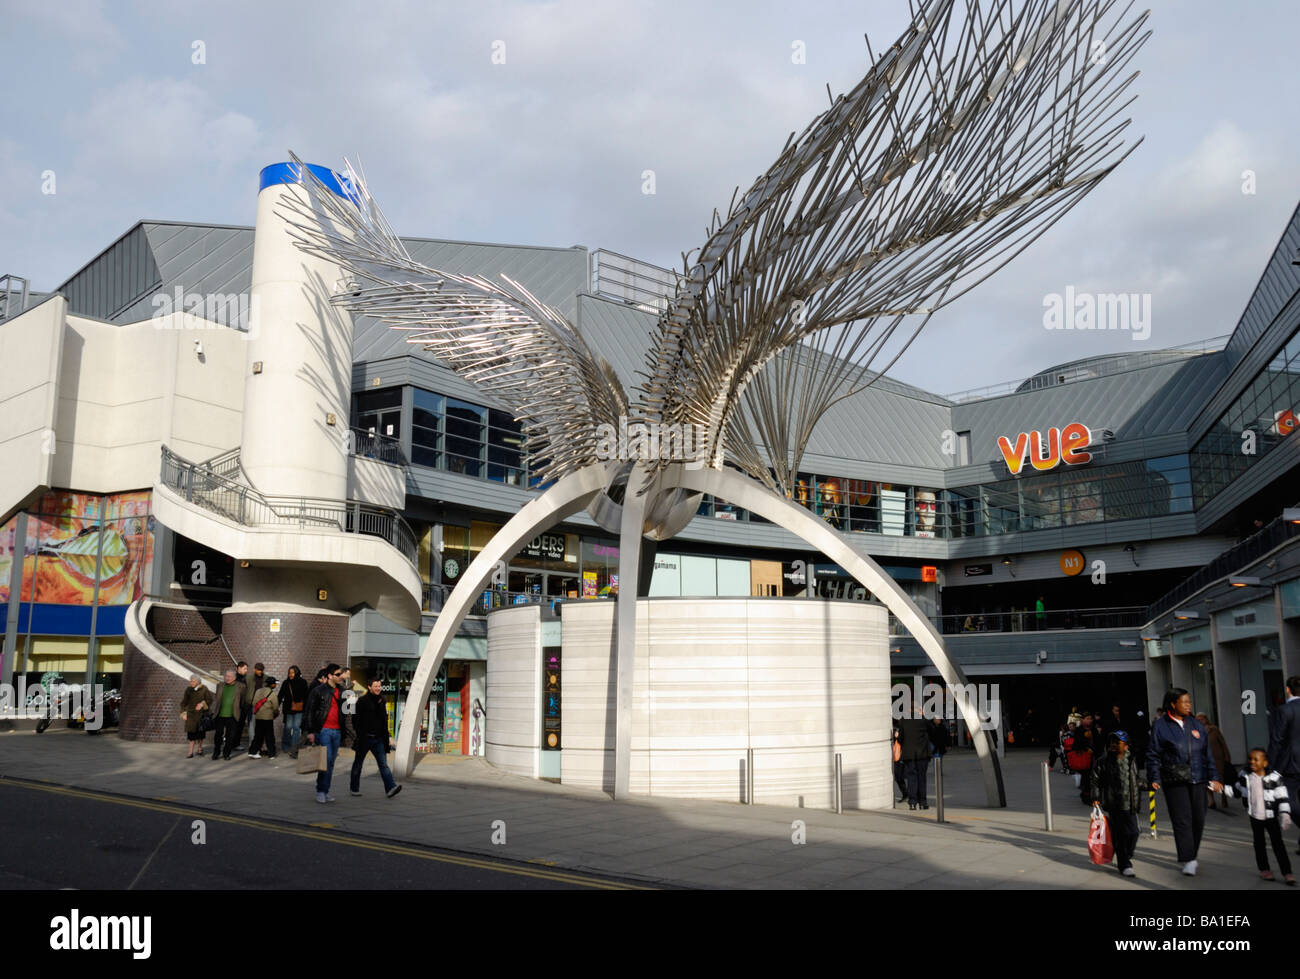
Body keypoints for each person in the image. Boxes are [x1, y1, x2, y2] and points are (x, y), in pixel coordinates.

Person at [1147, 688, 1222, 876]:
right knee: (1182, 821)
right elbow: (1153, 754)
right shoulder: (1161, 726)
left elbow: (1208, 754)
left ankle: (1192, 854)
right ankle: (1188, 858)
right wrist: (1154, 777)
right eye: (1184, 702)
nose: (1189, 705)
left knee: (1198, 819)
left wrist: (1214, 777)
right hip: (1175, 780)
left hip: (1198, 779)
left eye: (1189, 701)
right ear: (1173, 704)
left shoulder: (1196, 725)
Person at [1223, 747, 1295, 884]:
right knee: (1259, 844)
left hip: (1271, 817)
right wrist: (1221, 789)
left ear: (1265, 763)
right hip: (1255, 816)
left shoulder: (1274, 778)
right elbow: (1236, 791)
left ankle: (1287, 872)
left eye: (1256, 759)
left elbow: (1282, 797)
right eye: (1250, 759)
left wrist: (1285, 813)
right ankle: (1264, 870)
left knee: (1278, 844)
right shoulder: (1245, 776)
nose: (1252, 762)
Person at [1091, 730, 1142, 877]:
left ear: (1126, 746)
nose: (1113, 745)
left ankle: (1127, 853)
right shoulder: (1103, 760)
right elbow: (1095, 779)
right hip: (1114, 803)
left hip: (1130, 803)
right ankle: (1124, 864)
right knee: (1120, 835)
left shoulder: (1132, 759)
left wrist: (1149, 784)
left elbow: (1135, 780)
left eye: (1117, 742)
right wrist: (1095, 796)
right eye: (1112, 742)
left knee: (1134, 832)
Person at [349, 678, 402, 798]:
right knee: (358, 763)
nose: (378, 688)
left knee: (383, 764)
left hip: (378, 739)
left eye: (379, 686)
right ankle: (354, 788)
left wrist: (387, 736)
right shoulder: (362, 701)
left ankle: (391, 788)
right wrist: (360, 733)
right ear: (369, 687)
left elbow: (384, 721)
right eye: (376, 686)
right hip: (365, 738)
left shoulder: (382, 700)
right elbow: (355, 720)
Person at [1266, 675, 1300, 857]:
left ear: (1288, 690)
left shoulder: (1284, 710)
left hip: (1291, 763)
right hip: (1292, 762)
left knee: (1289, 801)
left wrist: (1271, 766)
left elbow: (1277, 740)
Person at [304, 664, 346, 803]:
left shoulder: (343, 691)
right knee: (326, 761)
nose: (341, 677)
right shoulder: (318, 691)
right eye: (338, 674)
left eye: (341, 674)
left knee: (331, 763)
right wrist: (310, 731)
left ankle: (325, 790)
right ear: (329, 676)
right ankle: (321, 791)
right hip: (324, 731)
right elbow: (309, 711)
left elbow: (348, 712)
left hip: (337, 731)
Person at [1196, 712, 1235, 812]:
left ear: (1206, 719)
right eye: (1198, 719)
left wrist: (1227, 756)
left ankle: (1223, 798)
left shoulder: (1214, 729)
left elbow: (1223, 743)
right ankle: (1212, 800)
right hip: (1204, 760)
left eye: (1202, 719)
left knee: (1220, 779)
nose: (1200, 721)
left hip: (1218, 758)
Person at [898, 710, 931, 810]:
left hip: (909, 755)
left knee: (911, 779)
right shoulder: (923, 720)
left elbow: (900, 738)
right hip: (922, 754)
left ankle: (912, 802)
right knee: (922, 778)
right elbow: (932, 731)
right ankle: (922, 802)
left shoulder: (904, 721)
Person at [211, 669, 243, 761]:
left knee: (230, 736)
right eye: (226, 676)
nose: (227, 678)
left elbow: (243, 700)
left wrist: (239, 710)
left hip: (233, 715)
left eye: (229, 676)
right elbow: (216, 699)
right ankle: (216, 753)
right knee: (218, 736)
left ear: (234, 678)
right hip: (220, 714)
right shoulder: (220, 685)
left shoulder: (240, 687)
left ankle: (226, 754)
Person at [278, 666, 308, 757]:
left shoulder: (303, 682)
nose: (290, 674)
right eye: (289, 672)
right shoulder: (286, 683)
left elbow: (306, 696)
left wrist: (306, 708)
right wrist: (276, 706)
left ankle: (294, 748)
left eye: (292, 672)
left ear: (297, 673)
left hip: (299, 709)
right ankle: (286, 745)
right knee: (288, 727)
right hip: (288, 709)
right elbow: (280, 695)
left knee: (296, 728)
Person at [248, 674, 279, 759]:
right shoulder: (272, 694)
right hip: (268, 717)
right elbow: (276, 707)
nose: (275, 685)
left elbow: (254, 703)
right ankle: (271, 754)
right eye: (275, 683)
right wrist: (273, 711)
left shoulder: (258, 691)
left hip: (258, 717)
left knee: (258, 735)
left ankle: (252, 752)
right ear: (272, 684)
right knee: (269, 736)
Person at [179, 675, 209, 758]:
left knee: (200, 734)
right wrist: (183, 713)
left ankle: (199, 749)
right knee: (191, 734)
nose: (191, 682)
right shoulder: (188, 690)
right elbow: (183, 703)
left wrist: (202, 704)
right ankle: (190, 752)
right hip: (191, 715)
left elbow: (209, 700)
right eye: (190, 681)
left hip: (201, 715)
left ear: (198, 682)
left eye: (193, 681)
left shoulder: (204, 689)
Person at [232, 661, 253, 751]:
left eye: (246, 669)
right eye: (245, 668)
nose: (246, 670)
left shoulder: (245, 679)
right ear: (239, 668)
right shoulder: (234, 679)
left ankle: (236, 743)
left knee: (240, 726)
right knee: (234, 726)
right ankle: (232, 743)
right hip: (237, 707)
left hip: (244, 707)